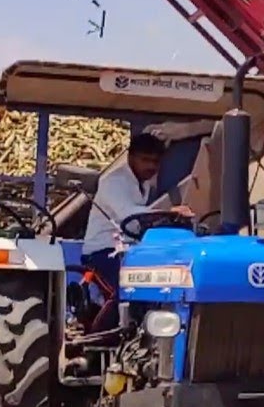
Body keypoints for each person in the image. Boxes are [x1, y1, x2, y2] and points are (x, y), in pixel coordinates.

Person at [80, 133, 194, 310]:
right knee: (131, 287)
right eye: (145, 160)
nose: (151, 166)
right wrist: (167, 212)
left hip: (130, 250)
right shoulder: (112, 182)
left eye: (155, 162)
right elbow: (127, 214)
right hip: (103, 252)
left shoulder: (144, 185)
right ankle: (119, 328)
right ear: (130, 157)